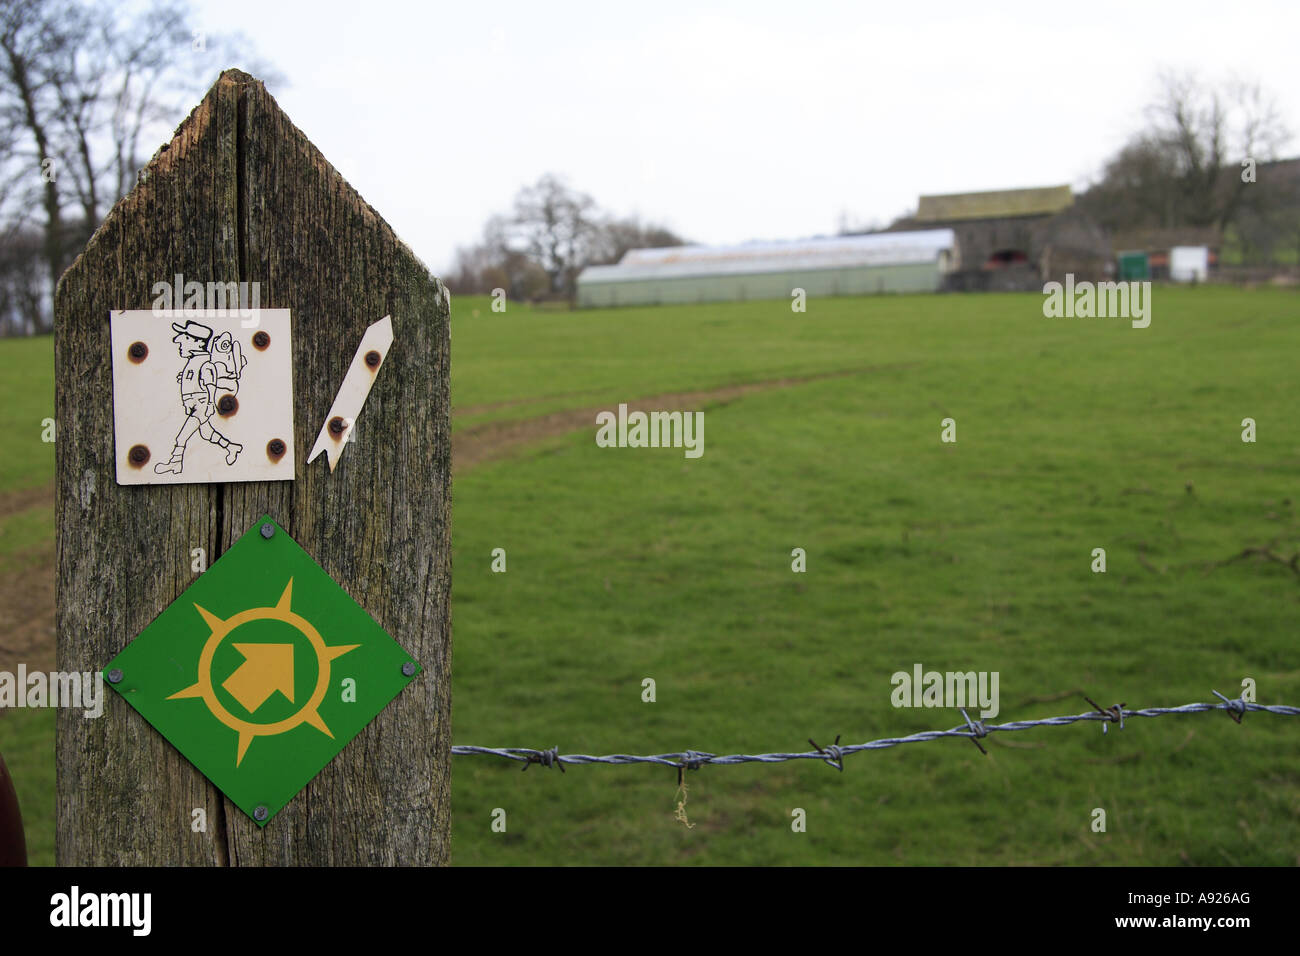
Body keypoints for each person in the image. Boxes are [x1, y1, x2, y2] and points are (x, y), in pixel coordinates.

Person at [154, 320, 243, 475]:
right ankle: (232, 447)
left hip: (201, 404)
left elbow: (210, 384)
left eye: (184, 339)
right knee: (207, 433)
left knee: (181, 437)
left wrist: (209, 404)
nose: (178, 341)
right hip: (195, 404)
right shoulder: (194, 362)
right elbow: (196, 379)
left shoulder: (205, 363)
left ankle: (175, 463)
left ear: (196, 342)